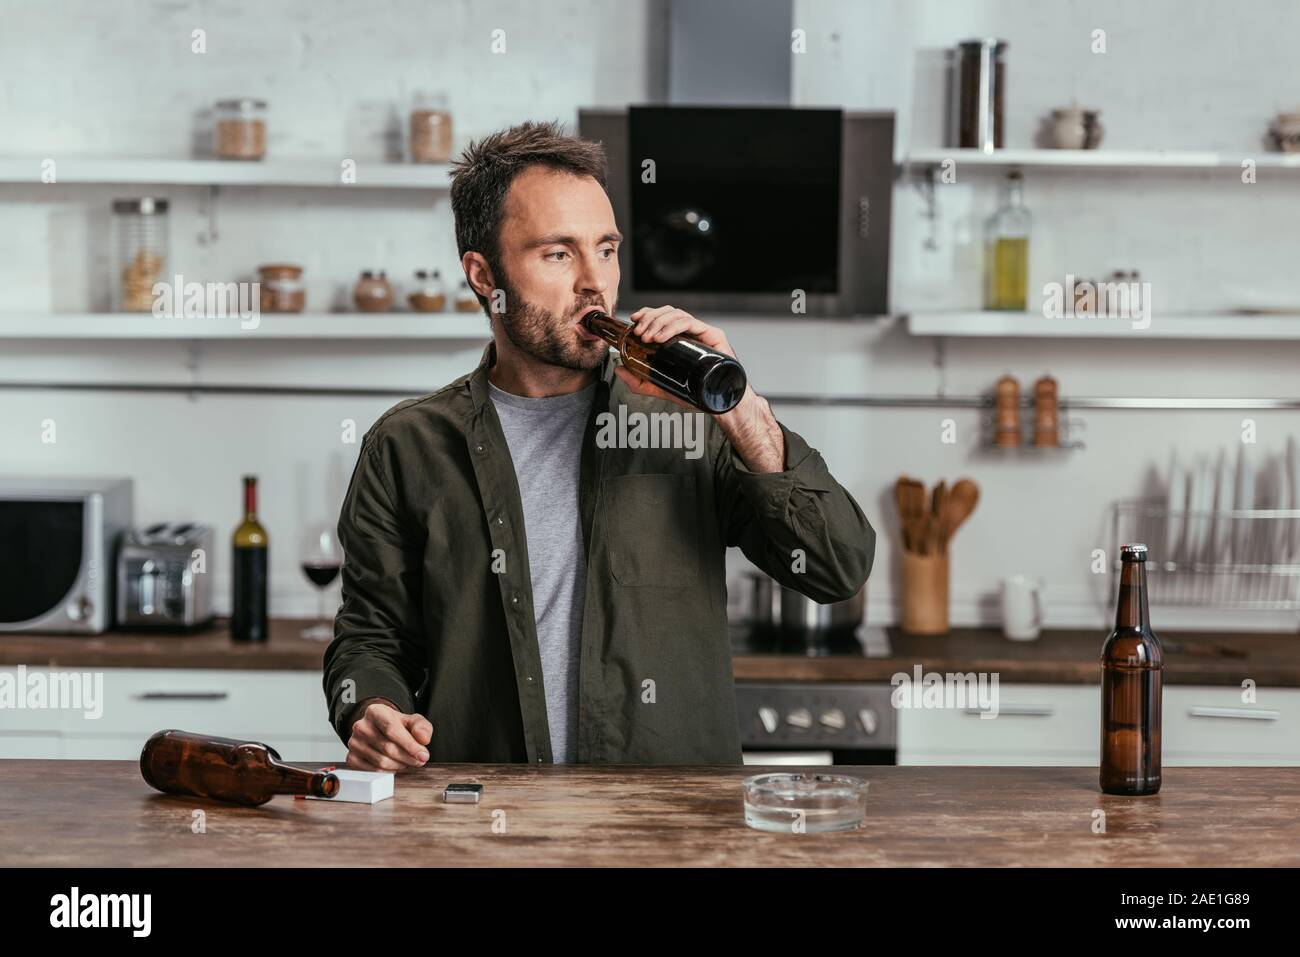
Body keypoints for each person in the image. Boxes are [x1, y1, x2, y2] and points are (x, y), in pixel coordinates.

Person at [323, 120, 875, 769]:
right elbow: (370, 638)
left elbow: (838, 566)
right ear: (483, 274)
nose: (595, 282)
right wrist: (371, 709)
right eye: (559, 254)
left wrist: (741, 410)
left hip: (669, 832)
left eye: (606, 249)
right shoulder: (407, 445)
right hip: (481, 828)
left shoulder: (691, 419)